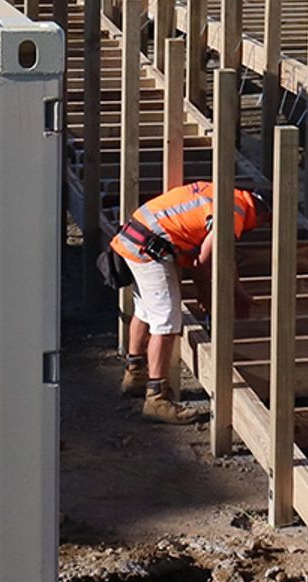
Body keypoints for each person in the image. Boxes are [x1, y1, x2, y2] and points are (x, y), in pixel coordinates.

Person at [112, 181, 265, 423]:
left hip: (135, 237)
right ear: (262, 213)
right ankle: (156, 399)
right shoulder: (235, 213)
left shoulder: (228, 196)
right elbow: (204, 260)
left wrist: (238, 291)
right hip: (150, 250)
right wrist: (204, 294)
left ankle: (135, 374)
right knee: (166, 322)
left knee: (145, 310)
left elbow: (223, 255)